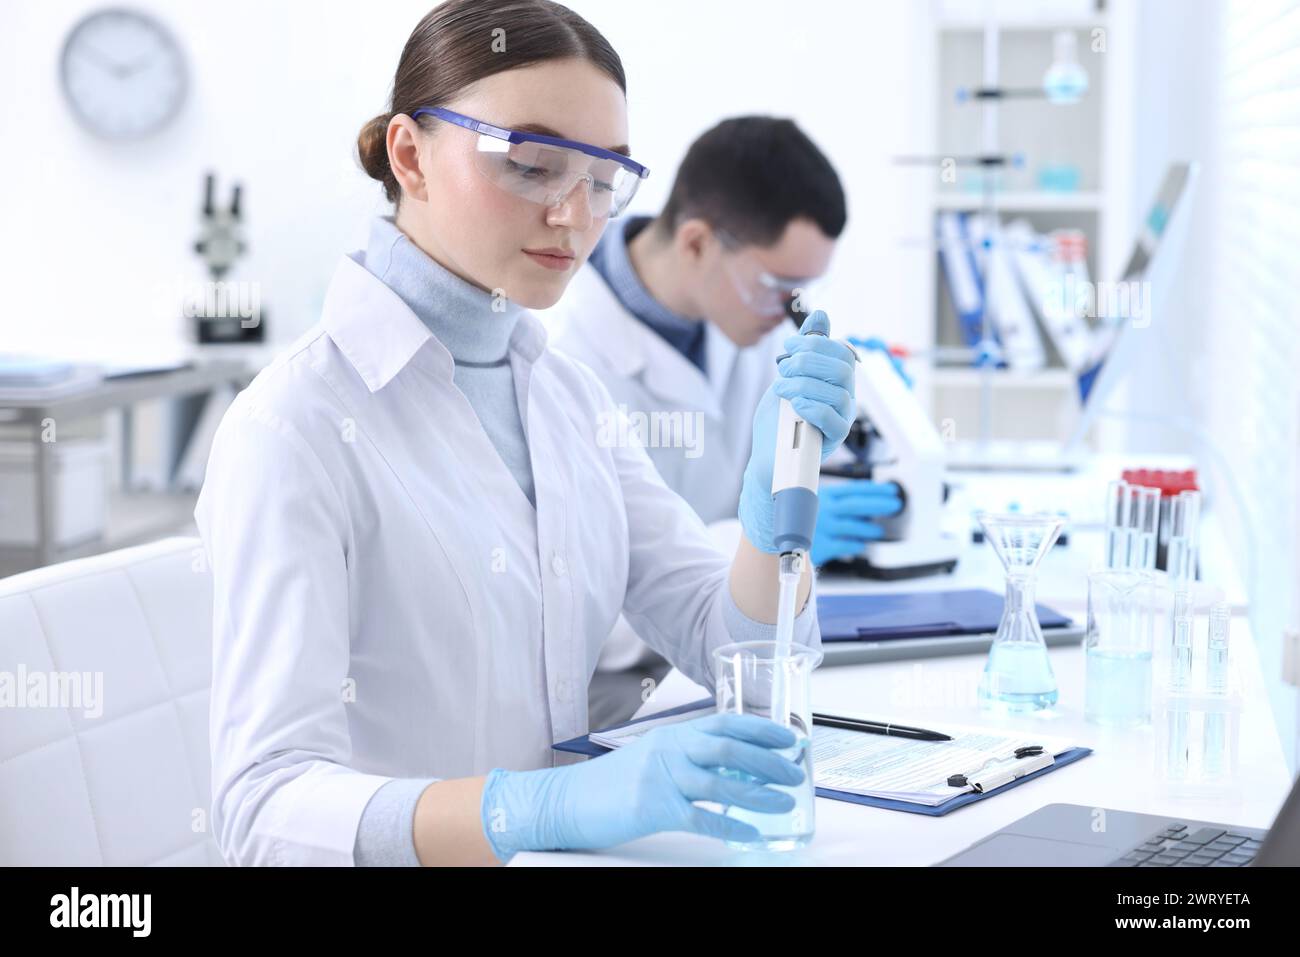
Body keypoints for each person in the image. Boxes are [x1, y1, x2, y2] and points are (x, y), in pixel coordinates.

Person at [195, 0, 857, 866]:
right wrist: (530, 808)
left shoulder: (563, 397)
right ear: (410, 154)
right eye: (534, 164)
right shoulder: (295, 428)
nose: (574, 216)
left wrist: (775, 516)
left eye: (603, 178)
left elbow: (739, 656)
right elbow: (262, 811)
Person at [538, 117, 904, 724]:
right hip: (609, 702)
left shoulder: (749, 326)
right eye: (777, 286)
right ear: (697, 243)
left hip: (726, 667)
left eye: (804, 289)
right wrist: (749, 539)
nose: (791, 311)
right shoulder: (562, 349)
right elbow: (587, 609)